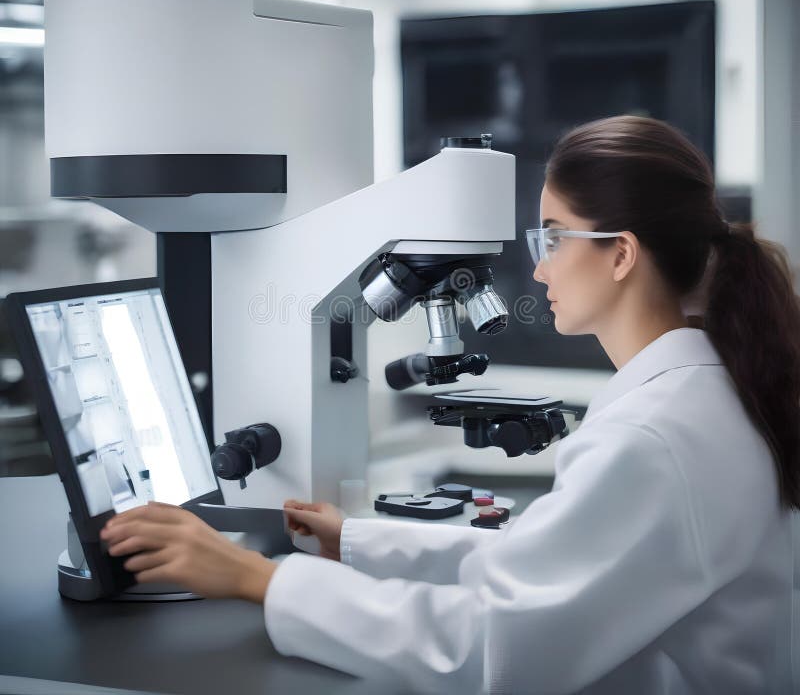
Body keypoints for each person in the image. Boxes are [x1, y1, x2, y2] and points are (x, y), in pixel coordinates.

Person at [100, 116, 800, 694]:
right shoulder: (705, 389)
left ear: (621, 255)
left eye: (553, 236)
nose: (537, 266)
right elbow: (530, 565)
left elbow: (491, 650)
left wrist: (259, 580)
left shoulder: (654, 436)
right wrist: (355, 542)